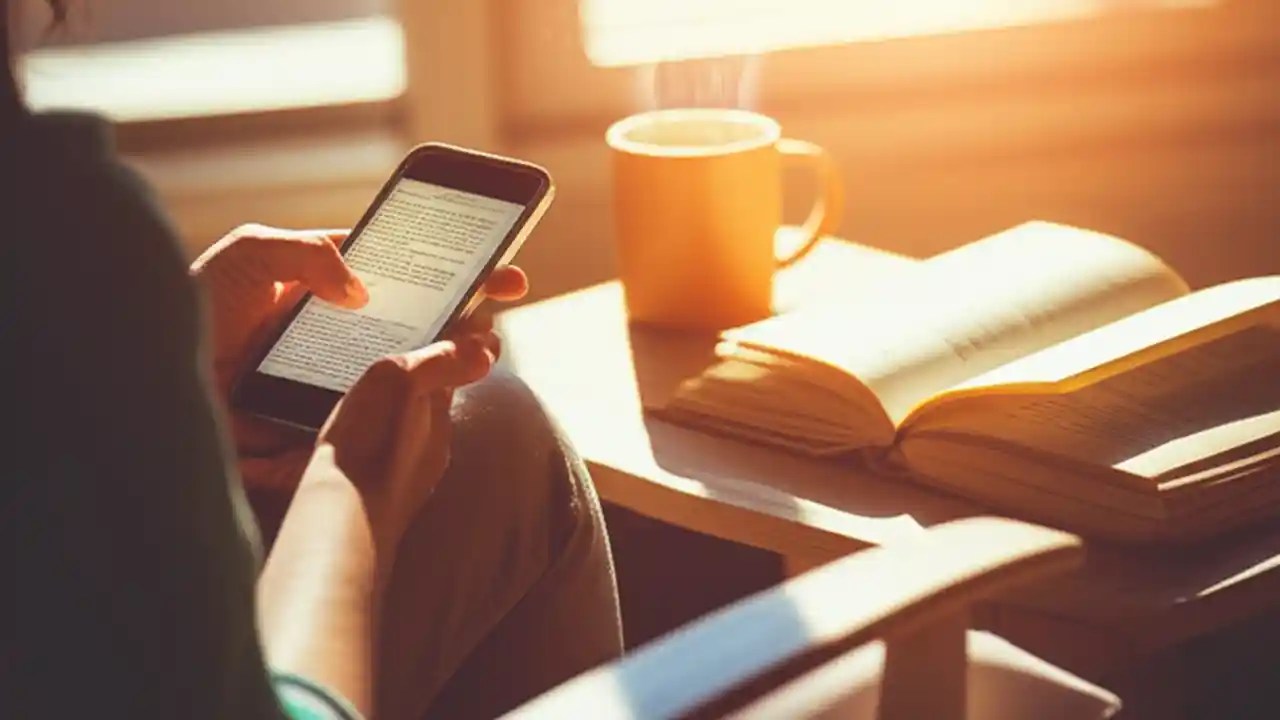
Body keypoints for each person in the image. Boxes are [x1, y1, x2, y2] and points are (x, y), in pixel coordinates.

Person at [4, 2, 623, 718]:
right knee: (503, 432)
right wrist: (351, 497)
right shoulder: (57, 218)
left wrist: (151, 372)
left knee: (498, 424)